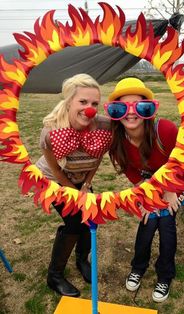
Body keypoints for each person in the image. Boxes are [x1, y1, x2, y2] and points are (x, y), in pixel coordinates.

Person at [105, 77, 184, 303]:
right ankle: (138, 267)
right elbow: (130, 170)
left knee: (166, 220)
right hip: (149, 183)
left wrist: (171, 190)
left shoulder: (165, 129)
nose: (131, 113)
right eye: (121, 107)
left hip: (177, 180)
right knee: (147, 220)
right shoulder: (117, 141)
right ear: (115, 112)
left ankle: (165, 275)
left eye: (140, 106)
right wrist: (141, 192)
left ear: (149, 110)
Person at [36, 73, 111, 297]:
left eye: (94, 103)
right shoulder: (50, 133)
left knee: (92, 214)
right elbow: (57, 171)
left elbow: (97, 159)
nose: (89, 108)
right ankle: (55, 275)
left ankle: (82, 259)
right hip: (52, 180)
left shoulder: (104, 127)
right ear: (69, 102)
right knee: (75, 220)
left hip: (81, 179)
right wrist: (75, 194)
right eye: (83, 102)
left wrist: (87, 185)